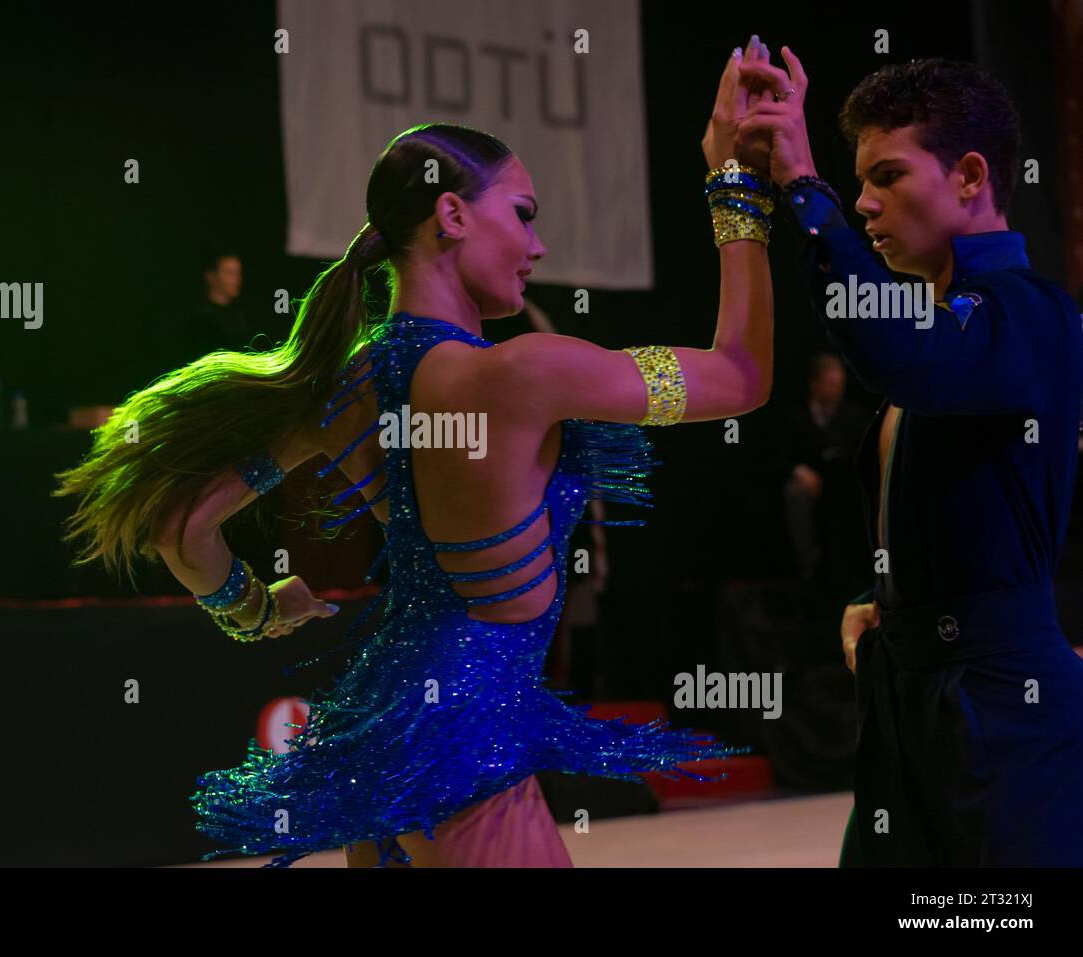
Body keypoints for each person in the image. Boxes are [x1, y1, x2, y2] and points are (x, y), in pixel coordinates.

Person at [54, 38, 779, 867]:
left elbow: (180, 527)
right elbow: (743, 375)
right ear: (453, 215)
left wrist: (252, 608)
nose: (538, 246)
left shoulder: (342, 386)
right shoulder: (523, 373)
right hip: (464, 746)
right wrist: (735, 181)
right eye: (524, 214)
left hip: (385, 735)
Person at [739, 50, 1083, 864]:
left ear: (970, 176)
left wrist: (803, 185)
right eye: (858, 182)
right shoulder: (951, 326)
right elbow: (962, 499)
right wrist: (888, 596)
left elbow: (905, 353)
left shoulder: (1031, 312)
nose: (863, 202)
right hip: (911, 695)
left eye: (888, 176)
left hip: (1001, 707)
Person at [783, 353, 868, 587]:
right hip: (807, 480)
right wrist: (800, 471)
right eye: (830, 385)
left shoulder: (853, 415)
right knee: (796, 494)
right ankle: (807, 566)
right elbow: (780, 455)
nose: (836, 391)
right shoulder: (795, 416)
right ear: (815, 384)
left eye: (839, 385)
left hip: (844, 482)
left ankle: (850, 569)